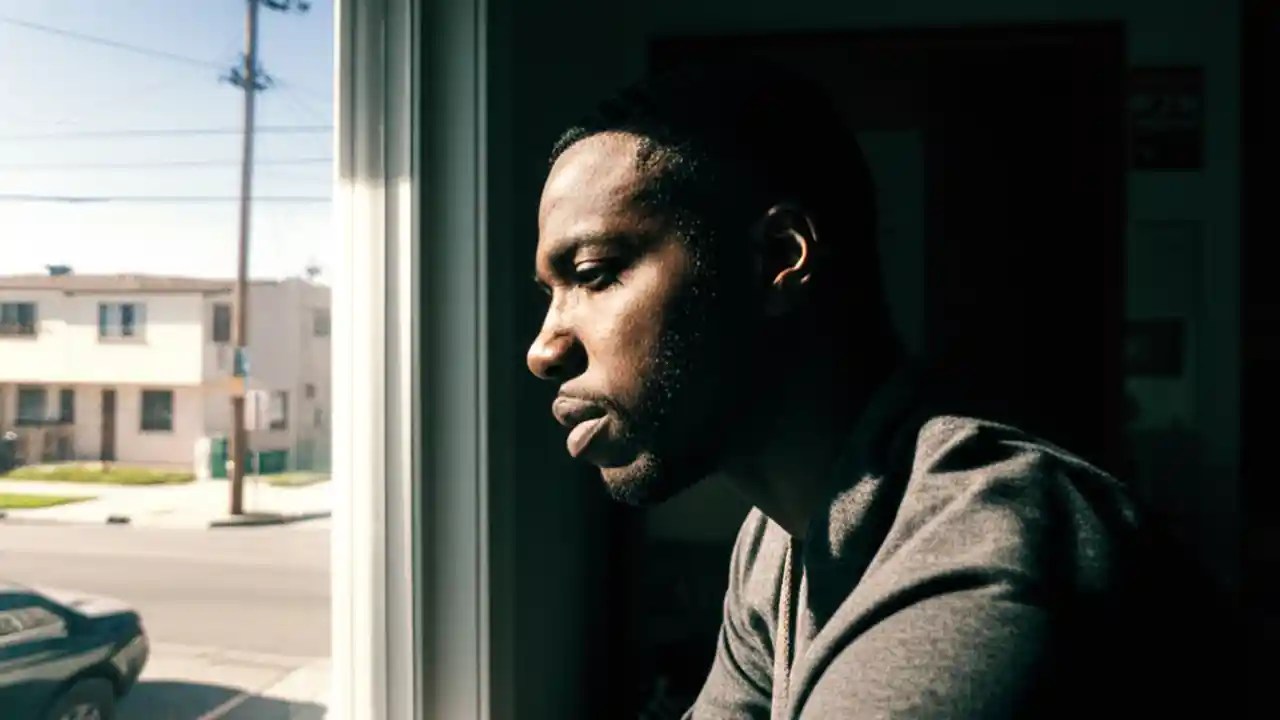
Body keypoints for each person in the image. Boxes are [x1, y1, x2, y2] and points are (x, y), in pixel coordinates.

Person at [526, 59, 1237, 719]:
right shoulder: (778, 541)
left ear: (778, 257)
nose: (543, 349)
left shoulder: (979, 555)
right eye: (550, 293)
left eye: (592, 274)